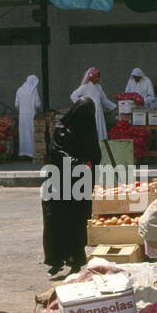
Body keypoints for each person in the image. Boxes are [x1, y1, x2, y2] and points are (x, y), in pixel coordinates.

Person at [41, 98, 101, 279]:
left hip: (80, 184)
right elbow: (57, 153)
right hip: (59, 181)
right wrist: (80, 163)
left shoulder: (88, 131)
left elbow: (95, 155)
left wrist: (88, 164)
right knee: (55, 220)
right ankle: (57, 258)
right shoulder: (62, 130)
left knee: (78, 221)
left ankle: (76, 259)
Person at [70, 68, 117, 141]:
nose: (98, 78)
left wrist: (115, 107)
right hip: (90, 112)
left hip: (99, 113)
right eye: (97, 76)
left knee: (99, 128)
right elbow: (73, 96)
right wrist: (82, 105)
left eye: (99, 76)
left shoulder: (99, 87)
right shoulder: (85, 87)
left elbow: (104, 100)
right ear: (91, 77)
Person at [15, 74, 41, 159]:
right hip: (31, 115)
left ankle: (23, 152)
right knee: (31, 132)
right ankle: (32, 152)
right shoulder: (34, 90)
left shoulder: (19, 90)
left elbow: (16, 104)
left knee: (23, 133)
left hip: (22, 115)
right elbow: (38, 104)